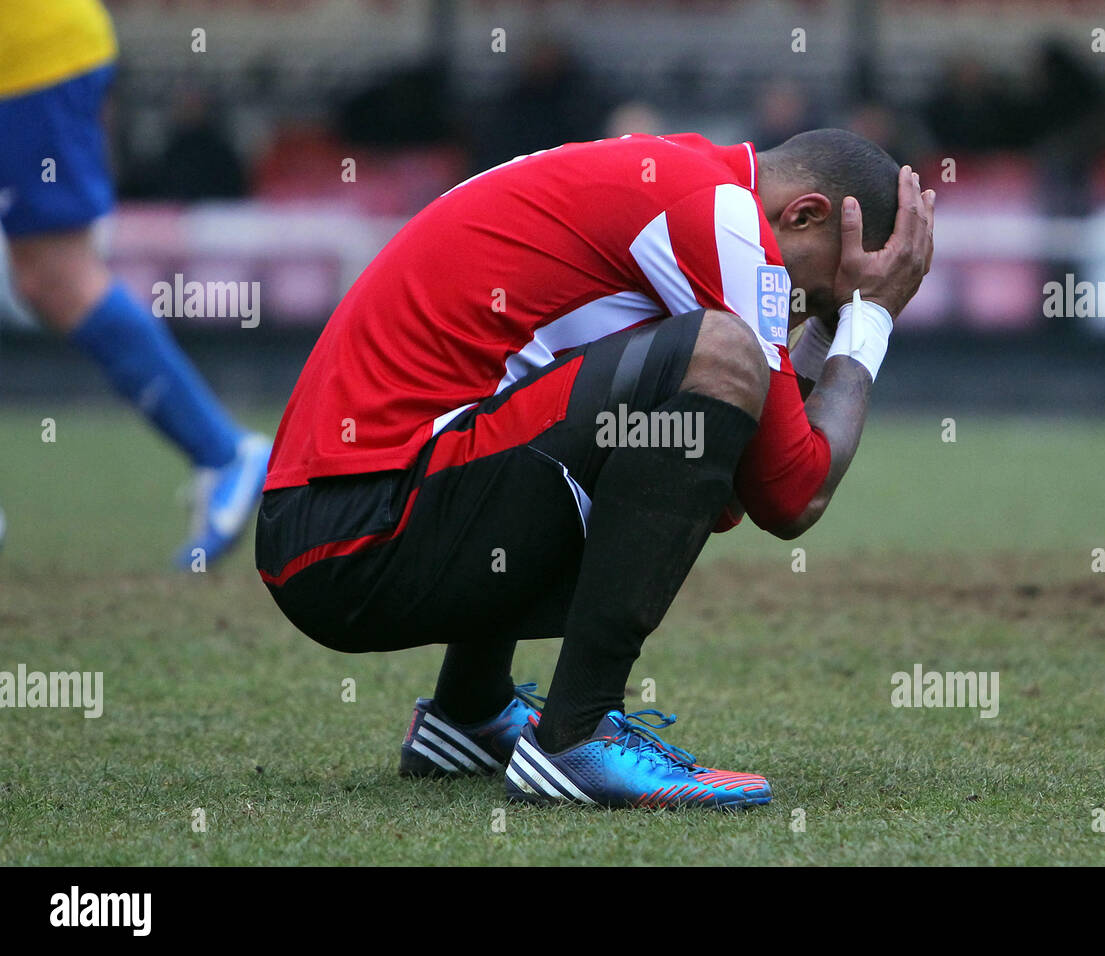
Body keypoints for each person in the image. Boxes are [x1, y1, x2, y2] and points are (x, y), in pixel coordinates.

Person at [255, 129, 934, 809]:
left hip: (334, 521)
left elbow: (738, 471)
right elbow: (793, 493)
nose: (806, 310)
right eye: (815, 295)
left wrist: (828, 320)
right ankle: (576, 736)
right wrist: (867, 320)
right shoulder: (720, 212)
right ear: (806, 214)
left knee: (679, 396)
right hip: (356, 529)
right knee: (723, 353)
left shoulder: (672, 179)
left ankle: (470, 711)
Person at [0, 0, 269, 568]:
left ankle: (225, 454)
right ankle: (224, 454)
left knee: (57, 271)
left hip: (28, 56)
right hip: (41, 48)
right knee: (51, 277)